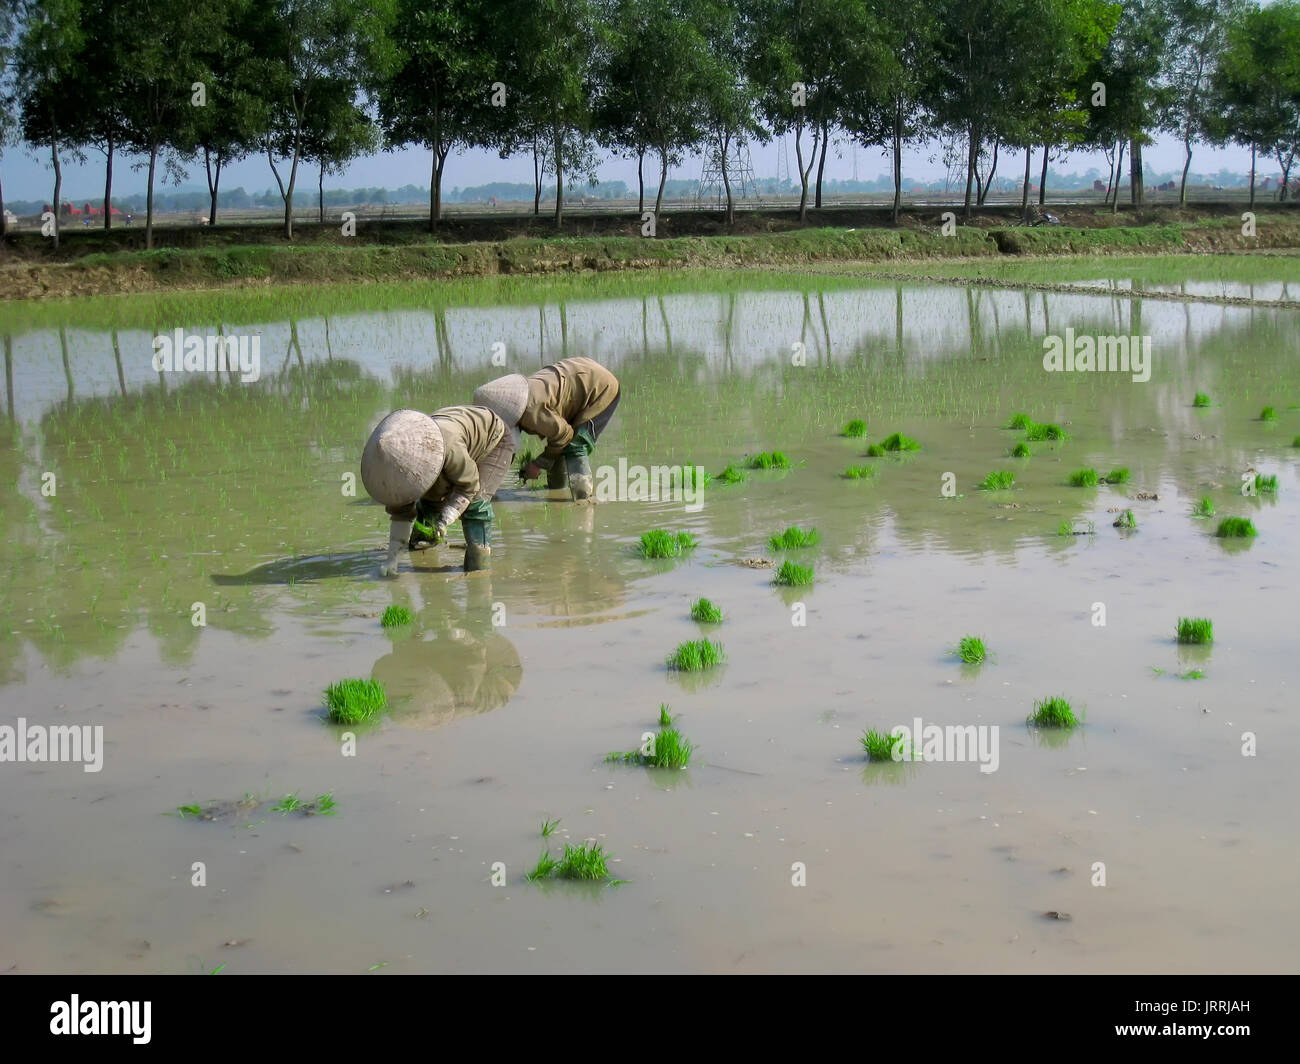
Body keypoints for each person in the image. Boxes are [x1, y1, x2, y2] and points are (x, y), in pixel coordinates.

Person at [361, 405, 513, 575]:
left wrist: (446, 519)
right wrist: (392, 560)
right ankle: (424, 553)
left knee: (476, 503)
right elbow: (400, 516)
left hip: (493, 438)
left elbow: (468, 486)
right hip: (455, 436)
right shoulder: (391, 473)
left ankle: (479, 568)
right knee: (429, 505)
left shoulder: (448, 445)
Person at [472, 356, 620, 501]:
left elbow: (564, 435)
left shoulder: (531, 411)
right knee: (558, 443)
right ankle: (556, 490)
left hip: (600, 388)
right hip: (576, 379)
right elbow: (503, 451)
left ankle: (583, 499)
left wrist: (538, 464)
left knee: (576, 445)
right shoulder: (519, 400)